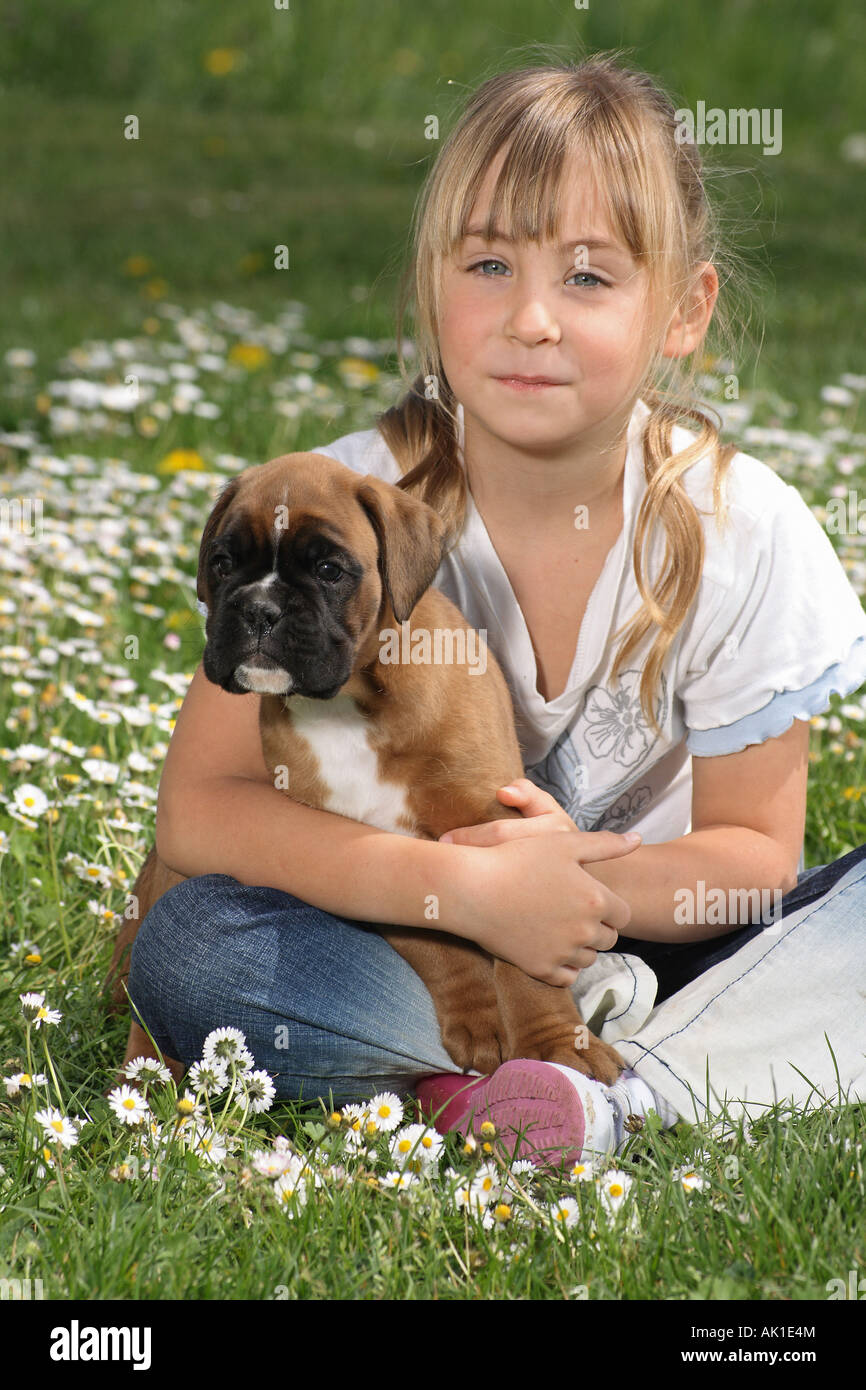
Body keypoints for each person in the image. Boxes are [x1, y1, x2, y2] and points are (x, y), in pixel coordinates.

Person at [128, 52, 866, 1170]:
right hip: (401, 942)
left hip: (658, 945)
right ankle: (521, 1072)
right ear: (431, 287)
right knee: (194, 950)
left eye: (586, 277)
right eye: (486, 263)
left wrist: (562, 892)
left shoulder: (742, 527)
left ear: (682, 310)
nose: (528, 317)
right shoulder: (338, 502)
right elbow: (200, 814)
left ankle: (598, 1085)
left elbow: (754, 860)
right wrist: (465, 893)